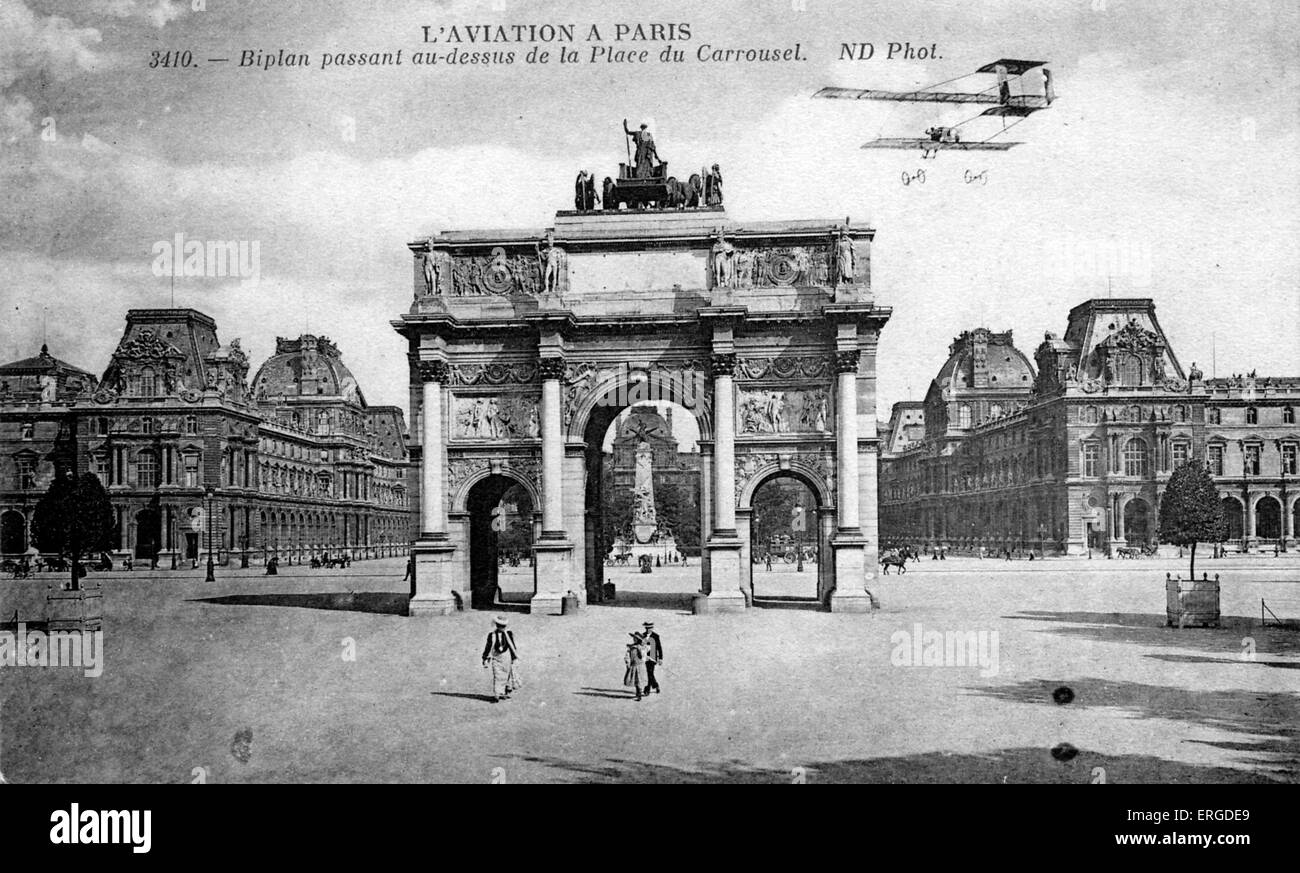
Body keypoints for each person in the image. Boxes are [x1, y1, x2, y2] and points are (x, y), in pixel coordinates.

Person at [481, 617, 520, 703]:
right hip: (496, 658)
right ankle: (497, 694)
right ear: (497, 626)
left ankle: (504, 692)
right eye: (500, 626)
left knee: (506, 675)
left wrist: (514, 658)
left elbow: (512, 646)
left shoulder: (508, 634)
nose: (502, 628)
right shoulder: (491, 635)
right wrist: (485, 658)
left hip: (506, 657)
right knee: (497, 675)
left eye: (503, 626)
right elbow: (488, 647)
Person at [623, 632, 648, 701]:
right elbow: (627, 655)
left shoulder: (642, 647)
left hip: (640, 665)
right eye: (634, 638)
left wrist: (640, 649)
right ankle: (638, 692)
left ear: (638, 639)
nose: (634, 639)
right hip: (633, 665)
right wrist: (627, 662)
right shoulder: (631, 647)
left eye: (636, 638)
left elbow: (643, 656)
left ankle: (639, 694)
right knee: (636, 680)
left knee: (640, 680)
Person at [641, 622, 663, 694]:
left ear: (652, 628)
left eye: (650, 628)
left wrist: (660, 658)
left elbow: (659, 648)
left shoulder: (656, 636)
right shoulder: (642, 635)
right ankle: (655, 685)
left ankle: (648, 689)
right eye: (647, 628)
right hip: (645, 657)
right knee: (650, 672)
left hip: (653, 657)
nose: (648, 630)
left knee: (650, 672)